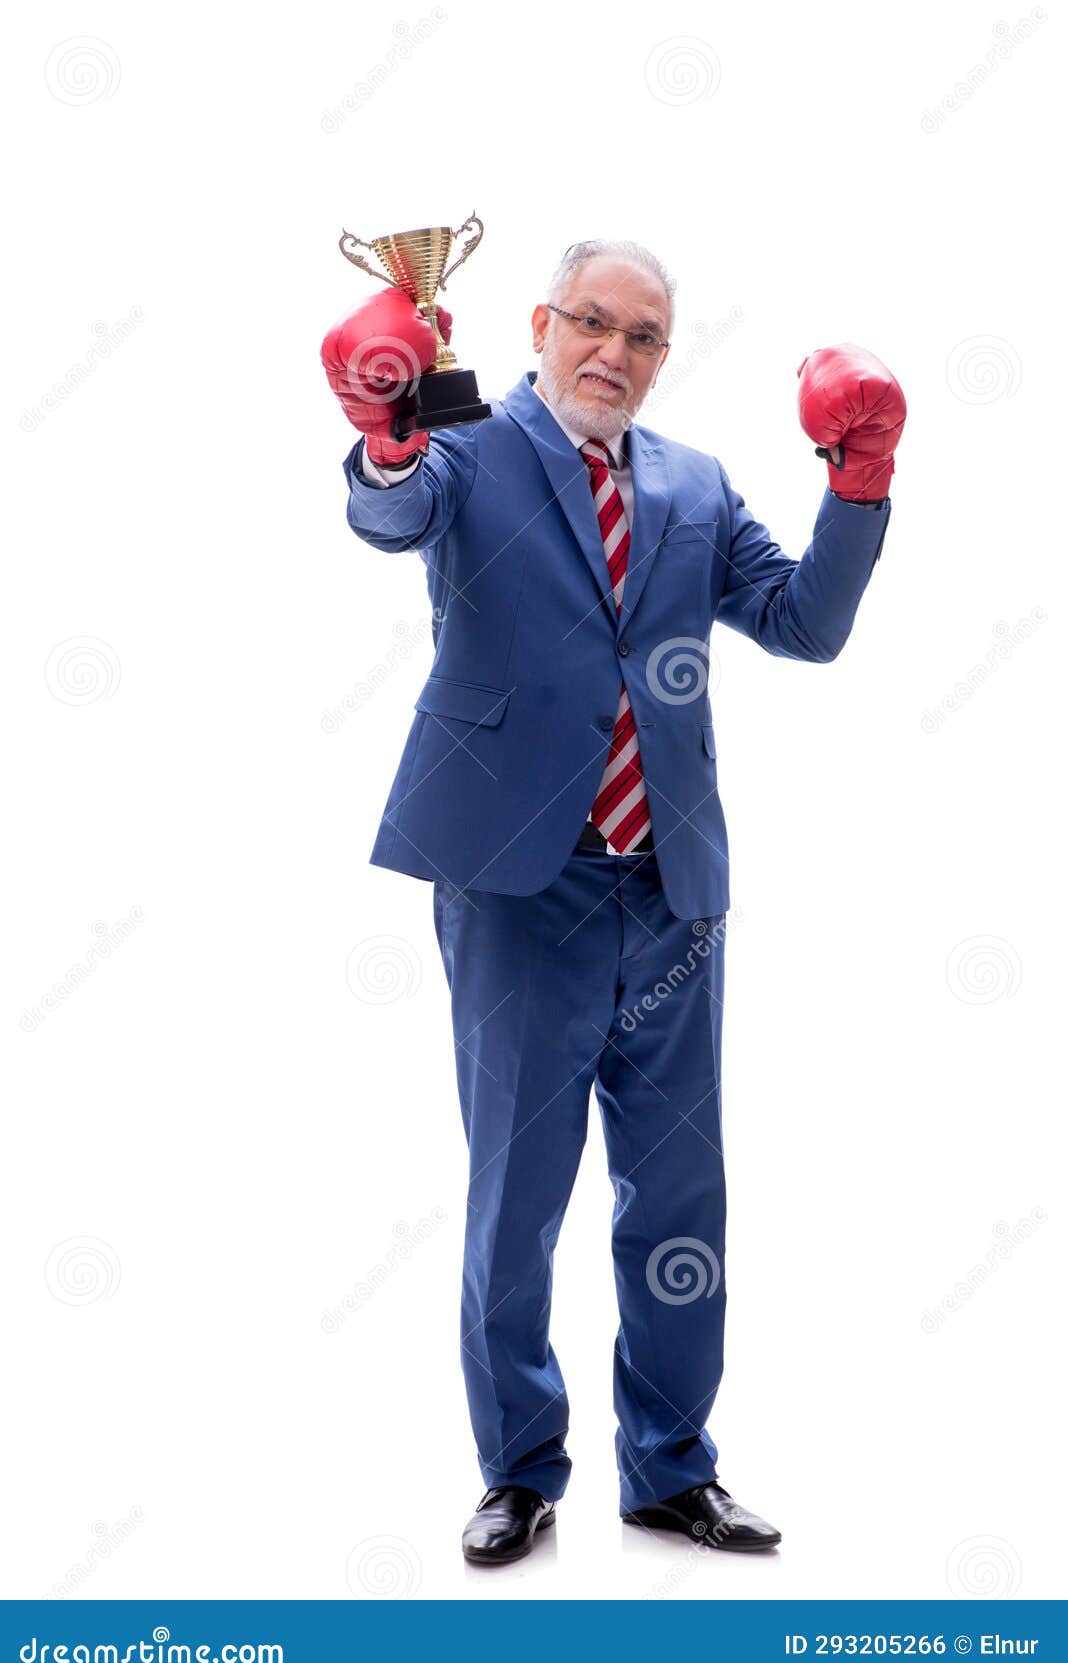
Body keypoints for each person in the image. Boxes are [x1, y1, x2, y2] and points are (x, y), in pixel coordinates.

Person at [321, 238, 906, 1565]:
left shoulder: (694, 483)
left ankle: (669, 1467)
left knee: (680, 1197)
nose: (616, 353)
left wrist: (858, 482)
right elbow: (387, 513)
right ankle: (520, 1468)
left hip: (673, 888)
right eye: (593, 322)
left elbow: (805, 622)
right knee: (519, 1191)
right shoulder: (470, 447)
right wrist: (386, 432)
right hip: (523, 884)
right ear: (540, 322)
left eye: (645, 336)